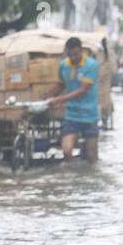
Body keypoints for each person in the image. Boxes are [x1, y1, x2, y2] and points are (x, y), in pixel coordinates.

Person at [46, 36, 99, 164]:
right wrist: (48, 96)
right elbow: (61, 84)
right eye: (71, 55)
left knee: (92, 155)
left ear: (81, 51)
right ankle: (73, 175)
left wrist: (59, 100)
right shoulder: (64, 65)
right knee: (67, 150)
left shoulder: (91, 65)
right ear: (67, 53)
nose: (74, 58)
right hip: (71, 114)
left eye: (76, 54)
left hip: (89, 115)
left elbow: (82, 90)